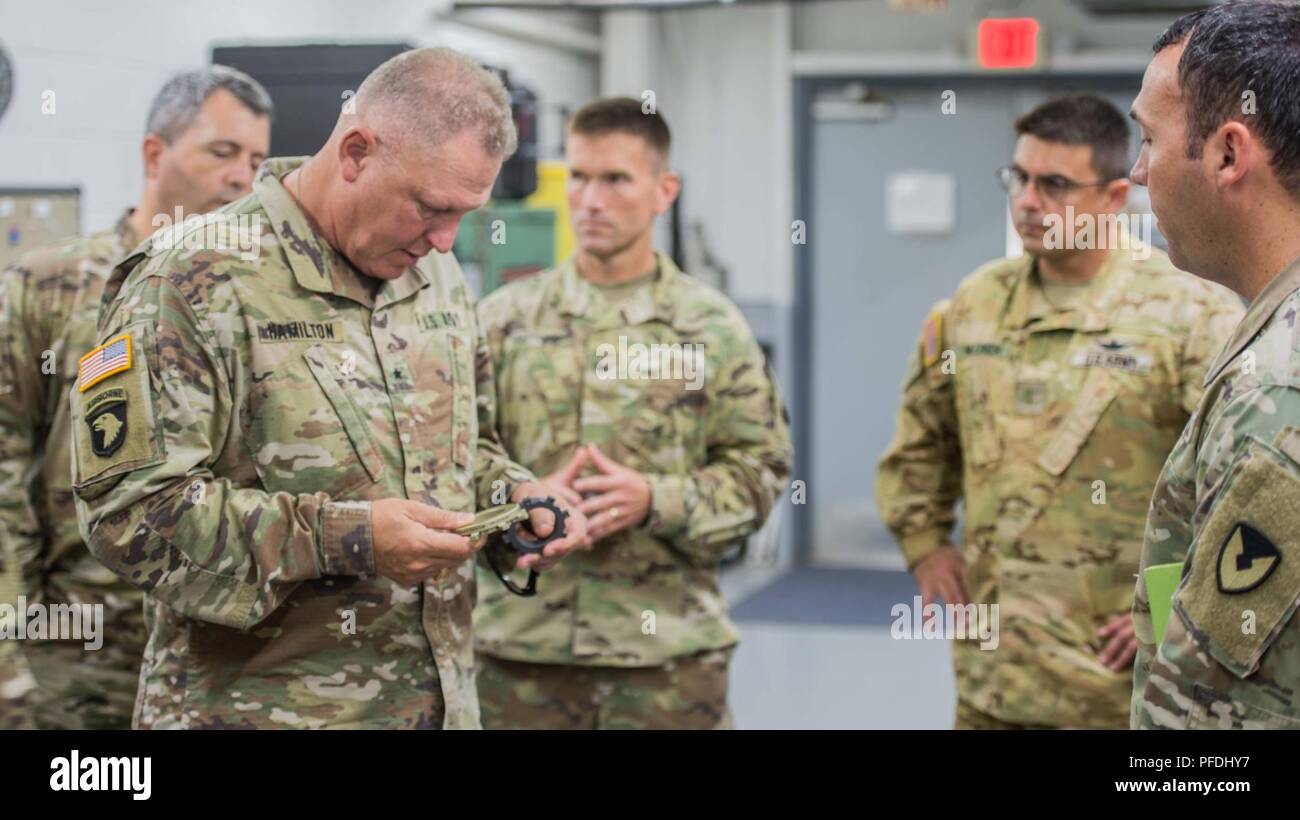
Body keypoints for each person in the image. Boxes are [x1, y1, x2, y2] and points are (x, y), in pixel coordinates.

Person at [69, 47, 586, 729]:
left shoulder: (432, 274)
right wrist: (351, 539)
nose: (444, 240)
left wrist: (510, 500)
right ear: (356, 152)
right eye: (431, 207)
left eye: (465, 212)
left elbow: (467, 445)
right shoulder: (192, 280)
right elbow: (125, 514)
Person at [876, 93, 1243, 729]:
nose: (1026, 201)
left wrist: (1172, 608)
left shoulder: (1189, 314)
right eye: (1018, 178)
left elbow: (1239, 488)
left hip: (1120, 688)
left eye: (1053, 184)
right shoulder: (974, 304)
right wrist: (926, 544)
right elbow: (922, 441)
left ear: (1111, 198)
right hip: (991, 676)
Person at [473, 97, 793, 729]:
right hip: (520, 656)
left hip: (666, 662)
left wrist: (654, 499)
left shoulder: (711, 329)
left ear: (662, 190)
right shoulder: (505, 319)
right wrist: (519, 495)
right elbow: (459, 455)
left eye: (616, 179)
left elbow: (761, 473)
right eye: (580, 177)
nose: (591, 200)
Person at [0, 65, 272, 729]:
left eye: (258, 161)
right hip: (76, 654)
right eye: (222, 152)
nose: (242, 178)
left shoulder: (260, 304)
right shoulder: (51, 285)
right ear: (155, 154)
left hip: (218, 659)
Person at [1130, 1, 1300, 729]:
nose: (1138, 173)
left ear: (1228, 153)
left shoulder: (1279, 392)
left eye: (1148, 139)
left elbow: (1214, 716)